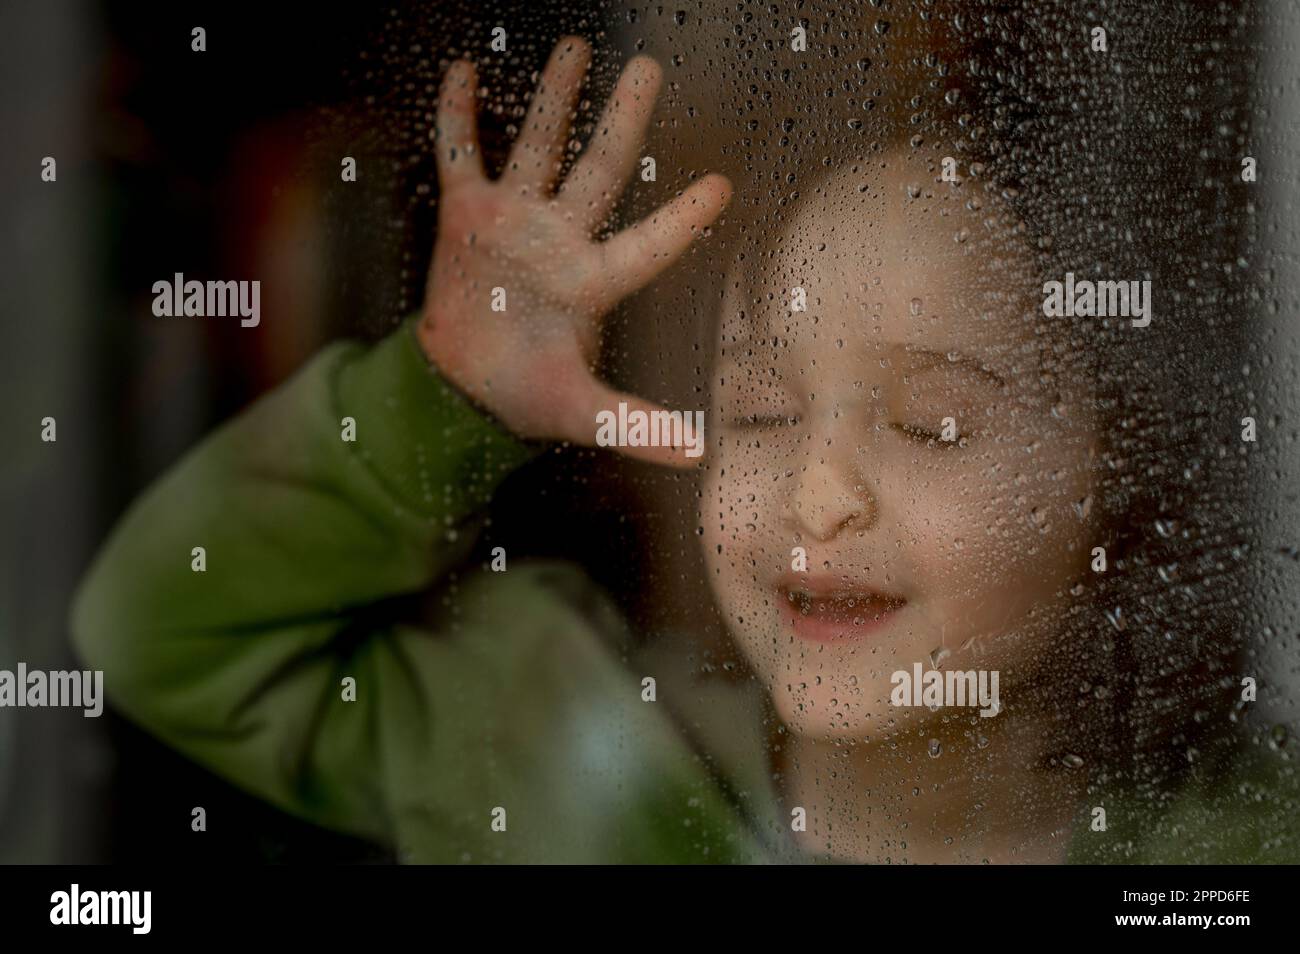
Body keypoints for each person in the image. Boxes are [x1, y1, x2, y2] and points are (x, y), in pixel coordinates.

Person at [71, 36, 1298, 863]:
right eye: (760, 412)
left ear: (1113, 472)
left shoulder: (1236, 845)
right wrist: (439, 396)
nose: (817, 494)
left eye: (932, 425)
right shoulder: (539, 743)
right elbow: (160, 629)